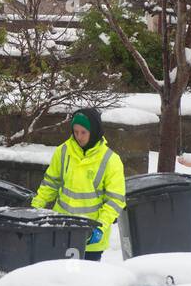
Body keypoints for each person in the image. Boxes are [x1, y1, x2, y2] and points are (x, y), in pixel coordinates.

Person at [31, 108, 125, 261]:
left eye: (83, 132)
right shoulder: (63, 151)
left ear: (94, 131)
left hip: (90, 236)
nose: (79, 137)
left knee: (84, 281)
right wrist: (35, 207)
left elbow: (115, 200)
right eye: (76, 132)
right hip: (61, 230)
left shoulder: (111, 160)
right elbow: (50, 183)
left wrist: (100, 226)